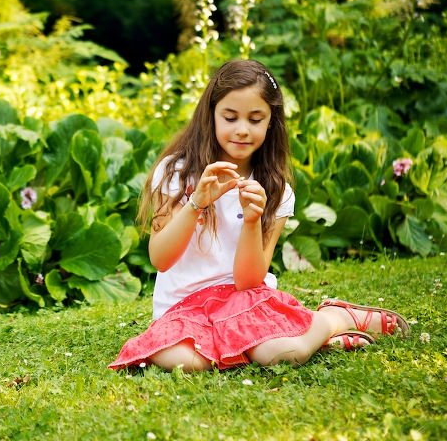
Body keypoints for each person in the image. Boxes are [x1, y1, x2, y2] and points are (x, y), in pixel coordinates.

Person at [109, 59, 409, 372]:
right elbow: (160, 258)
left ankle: (333, 319)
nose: (241, 130)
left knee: (283, 354)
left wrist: (252, 221)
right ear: (210, 115)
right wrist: (196, 203)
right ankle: (297, 338)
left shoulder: (275, 190)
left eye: (255, 119)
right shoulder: (177, 172)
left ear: (270, 123)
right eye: (230, 117)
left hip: (242, 301)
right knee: (185, 362)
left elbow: (248, 280)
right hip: (181, 308)